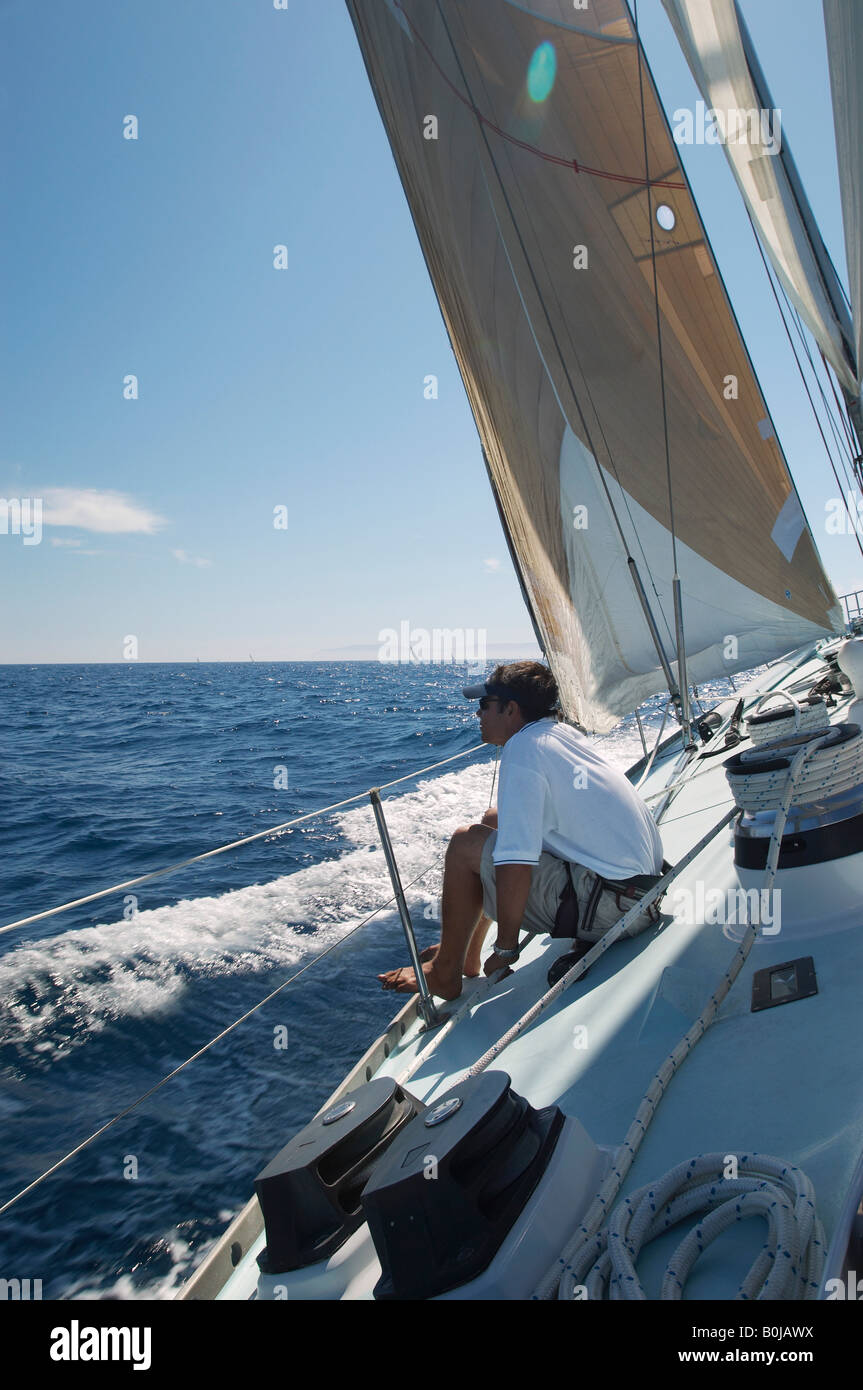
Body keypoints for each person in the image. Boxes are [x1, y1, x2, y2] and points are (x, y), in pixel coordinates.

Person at [378, 661, 664, 1000]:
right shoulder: (560, 735)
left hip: (612, 911)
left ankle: (445, 975)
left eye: (484, 706)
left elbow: (516, 863)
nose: (478, 715)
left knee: (464, 843)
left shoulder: (523, 749)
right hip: (641, 897)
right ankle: (466, 954)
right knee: (494, 819)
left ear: (510, 709)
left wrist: (506, 951)